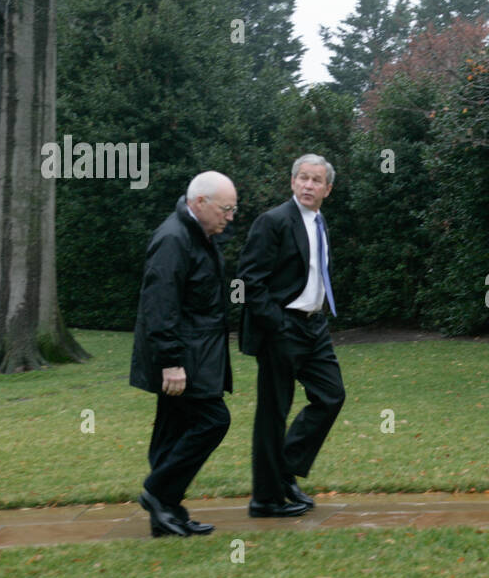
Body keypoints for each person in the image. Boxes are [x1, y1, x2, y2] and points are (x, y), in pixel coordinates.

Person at [129, 171, 238, 537]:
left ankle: (167, 513)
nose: (230, 216)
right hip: (183, 358)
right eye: (226, 208)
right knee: (213, 420)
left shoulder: (200, 234)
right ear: (200, 203)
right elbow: (159, 305)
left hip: (196, 353)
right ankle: (158, 493)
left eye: (233, 209)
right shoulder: (174, 239)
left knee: (172, 431)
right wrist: (171, 362)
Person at [236, 154, 345, 517]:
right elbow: (249, 279)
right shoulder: (273, 221)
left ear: (328, 189)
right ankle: (265, 499)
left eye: (316, 181)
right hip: (282, 328)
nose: (308, 185)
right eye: (303, 178)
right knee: (273, 412)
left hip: (314, 327)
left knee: (331, 396)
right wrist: (277, 324)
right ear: (292, 182)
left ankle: (284, 469)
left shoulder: (320, 221)